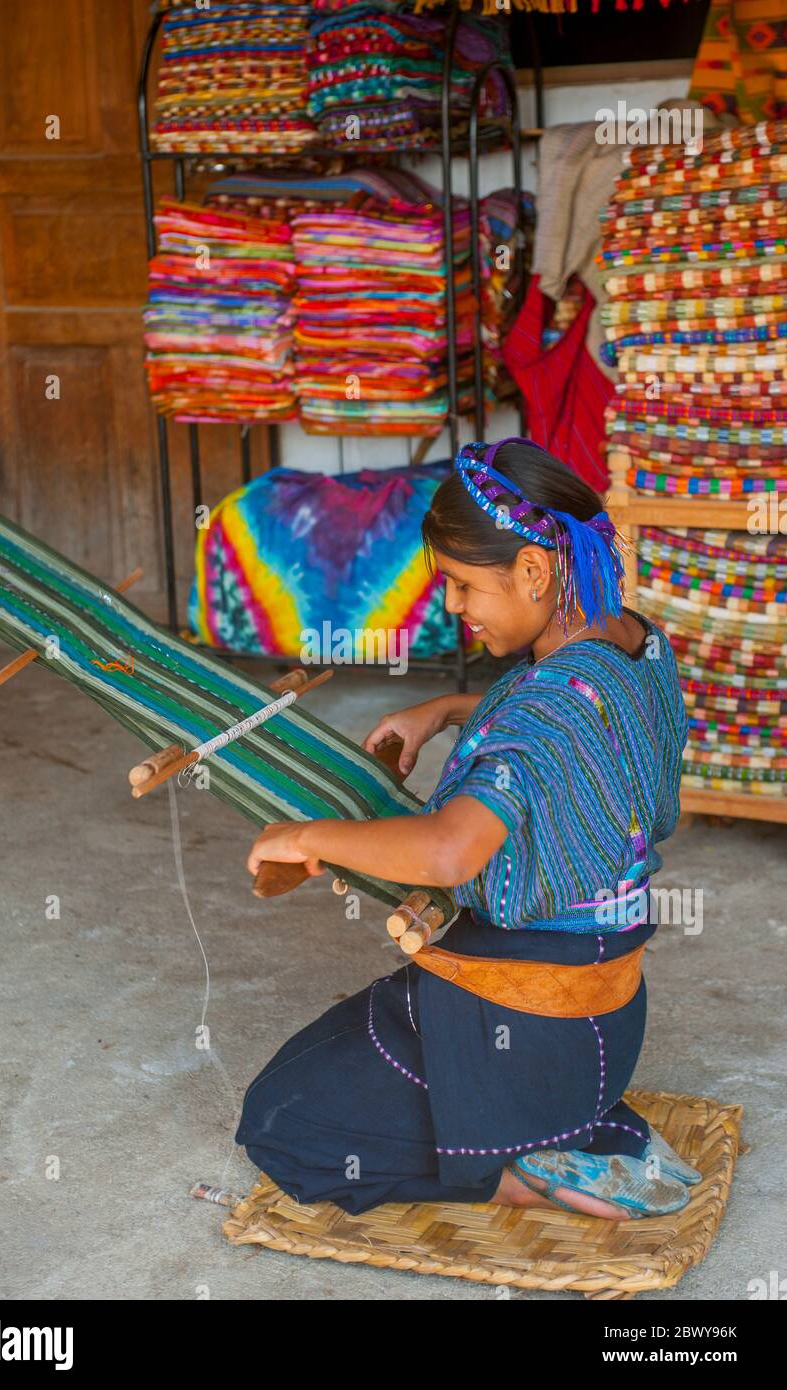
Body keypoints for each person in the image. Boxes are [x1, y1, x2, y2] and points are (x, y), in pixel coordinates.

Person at [236, 437, 701, 1220]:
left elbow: (451, 848)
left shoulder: (546, 705)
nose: (451, 608)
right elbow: (576, 728)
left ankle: (514, 1173)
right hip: (601, 1014)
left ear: (532, 571)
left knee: (282, 1120)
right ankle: (563, 1129)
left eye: (459, 585)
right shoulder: (630, 643)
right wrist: (446, 711)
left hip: (521, 1023)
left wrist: (308, 837)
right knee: (326, 1058)